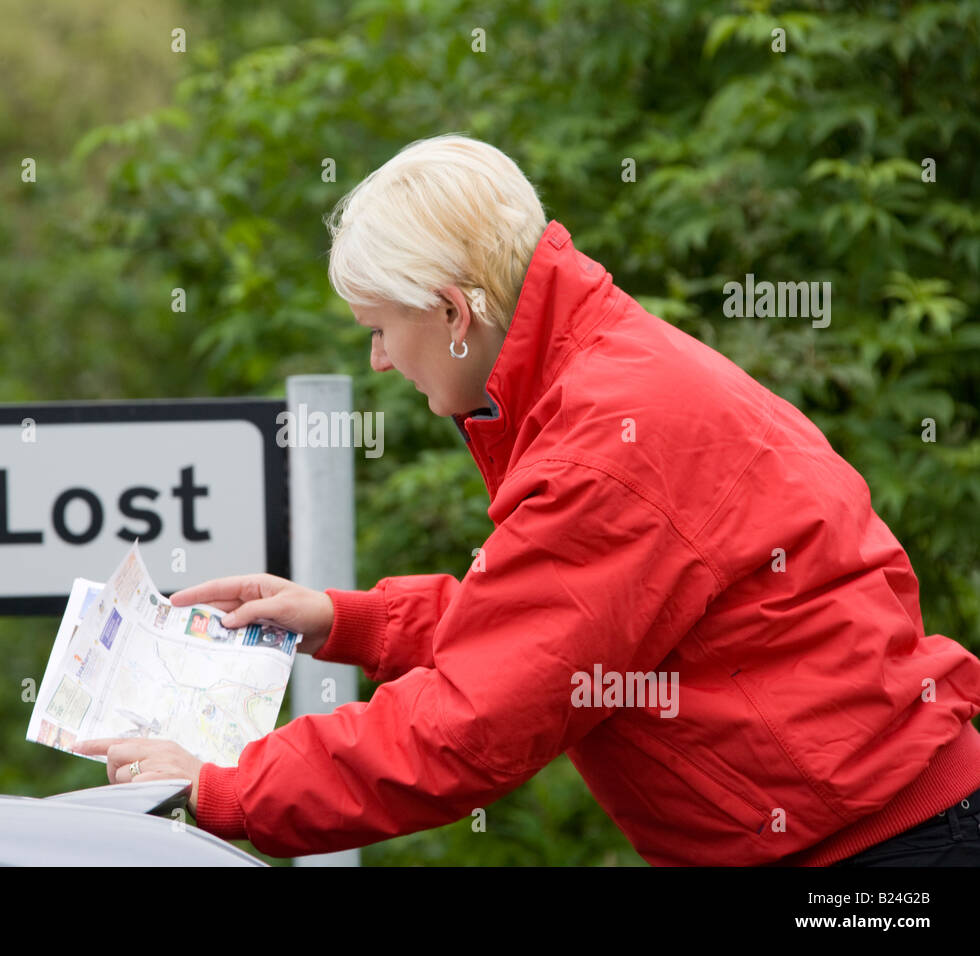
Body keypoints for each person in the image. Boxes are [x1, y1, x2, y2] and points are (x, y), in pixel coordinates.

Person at [73, 133, 980, 865]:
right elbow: (565, 624)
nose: (380, 360)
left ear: (454, 313)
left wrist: (224, 783)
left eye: (381, 329)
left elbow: (471, 723)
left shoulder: (605, 447)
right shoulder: (606, 374)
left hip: (879, 854)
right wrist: (342, 620)